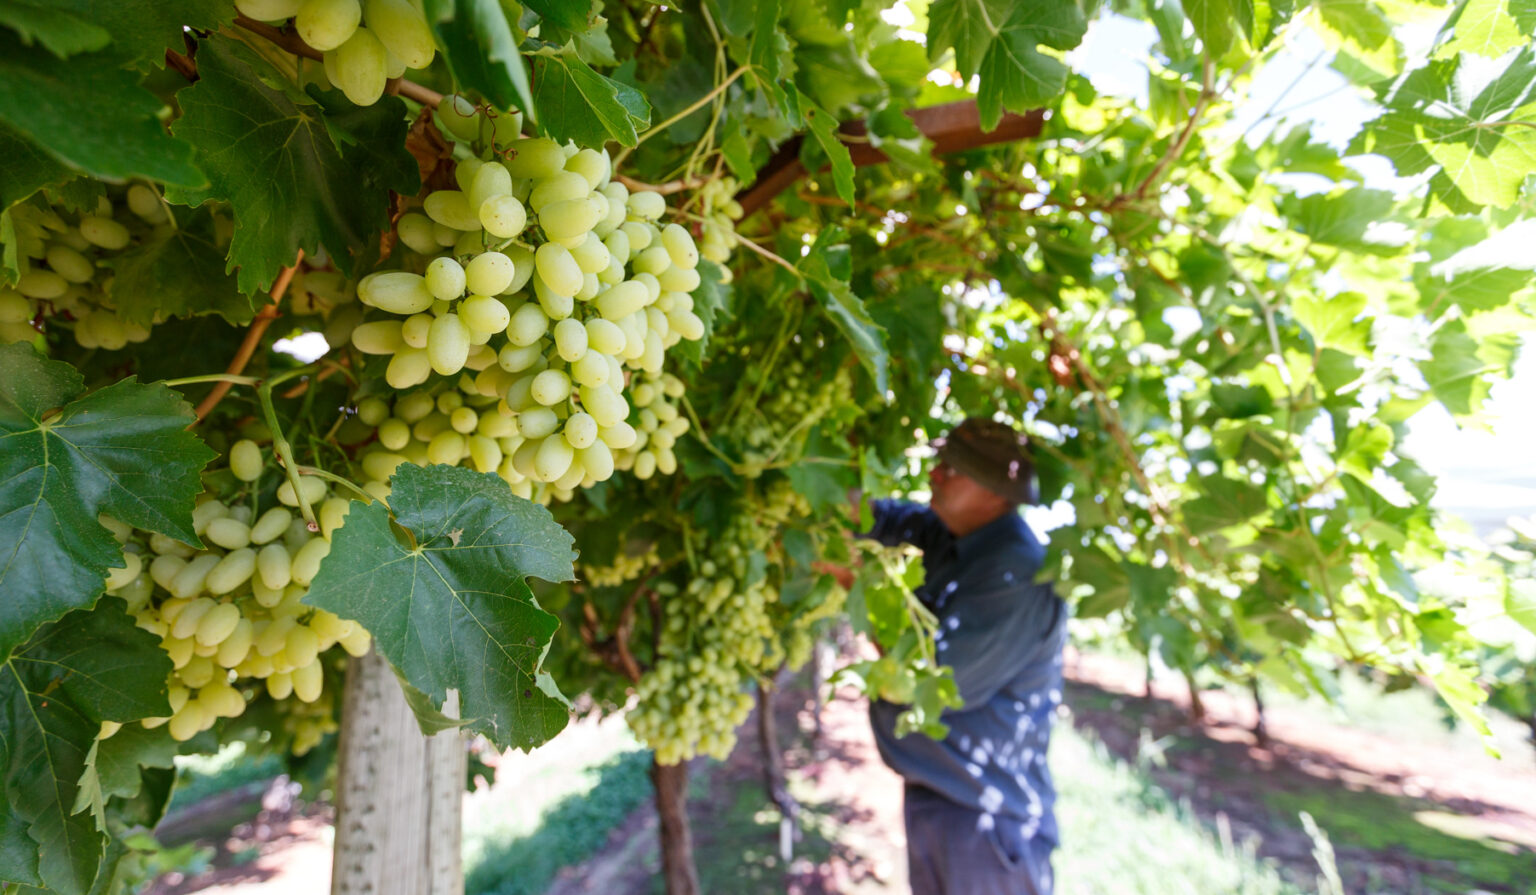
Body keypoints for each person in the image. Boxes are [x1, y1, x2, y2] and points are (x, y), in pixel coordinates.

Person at [859, 416, 1067, 895]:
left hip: (987, 829)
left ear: (996, 493)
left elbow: (925, 685)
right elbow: (878, 520)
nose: (934, 474)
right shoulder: (950, 535)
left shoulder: (1016, 573)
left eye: (951, 469)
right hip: (946, 806)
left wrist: (860, 588)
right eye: (940, 462)